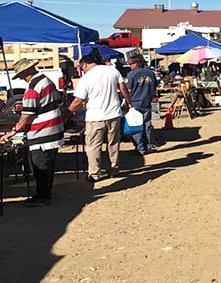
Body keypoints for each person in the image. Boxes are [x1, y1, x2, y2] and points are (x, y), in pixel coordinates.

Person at [0, 58, 65, 206]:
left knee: (40, 165)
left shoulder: (33, 88)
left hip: (43, 132)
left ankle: (42, 196)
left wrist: (14, 131)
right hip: (53, 128)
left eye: (22, 75)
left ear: (28, 71)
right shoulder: (46, 81)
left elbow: (27, 114)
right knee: (48, 165)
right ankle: (45, 193)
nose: (22, 78)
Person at [66, 52, 132, 182]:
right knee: (113, 143)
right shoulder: (112, 71)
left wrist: (67, 113)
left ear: (85, 64)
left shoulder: (86, 78)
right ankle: (114, 168)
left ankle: (95, 172)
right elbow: (123, 88)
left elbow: (78, 100)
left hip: (95, 117)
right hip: (114, 114)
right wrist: (129, 103)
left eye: (81, 68)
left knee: (93, 145)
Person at [125, 54, 158, 155]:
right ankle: (149, 145)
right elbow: (154, 87)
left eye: (131, 63)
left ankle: (140, 148)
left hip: (135, 103)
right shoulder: (150, 73)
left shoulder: (131, 74)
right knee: (147, 124)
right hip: (147, 102)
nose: (130, 66)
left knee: (136, 125)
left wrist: (127, 102)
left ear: (136, 63)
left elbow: (128, 90)